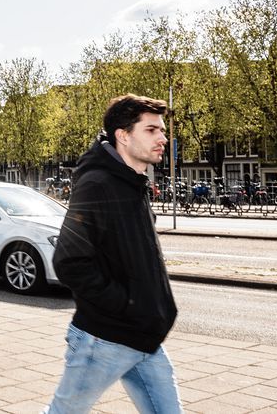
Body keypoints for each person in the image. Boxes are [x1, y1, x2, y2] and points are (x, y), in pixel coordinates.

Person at [45, 94, 180, 413]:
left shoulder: (133, 182)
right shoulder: (98, 184)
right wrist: (126, 305)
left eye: (161, 129)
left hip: (143, 337)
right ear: (123, 135)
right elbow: (69, 261)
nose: (163, 137)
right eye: (151, 130)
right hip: (103, 339)